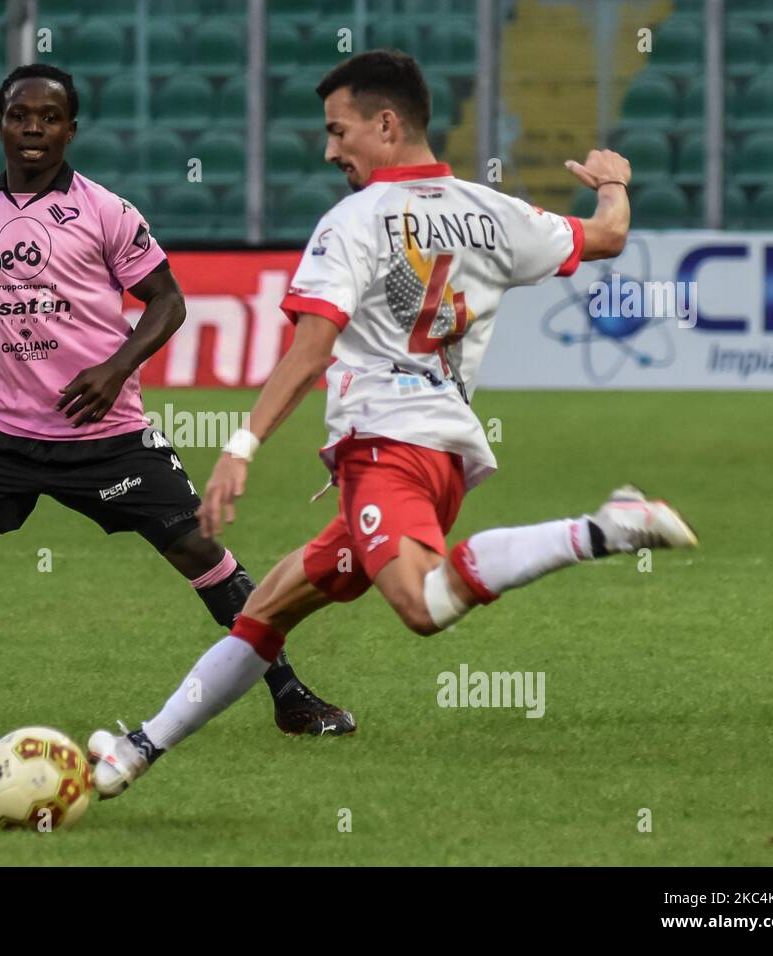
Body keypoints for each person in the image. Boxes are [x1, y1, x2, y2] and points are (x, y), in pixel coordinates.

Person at [86, 49, 697, 796]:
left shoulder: (355, 221)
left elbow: (311, 350)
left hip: (390, 450)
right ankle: (132, 754)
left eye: (339, 131)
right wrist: (612, 184)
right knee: (265, 611)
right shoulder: (494, 210)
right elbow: (606, 237)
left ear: (386, 122)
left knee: (424, 603)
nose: (329, 149)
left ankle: (607, 526)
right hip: (432, 459)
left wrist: (241, 447)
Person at [0, 64, 354, 738]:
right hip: (5, 434)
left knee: (199, 551)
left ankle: (292, 696)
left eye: (49, 117)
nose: (34, 128)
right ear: (0, 123)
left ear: (70, 130)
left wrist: (116, 368)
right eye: (20, 115)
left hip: (105, 434)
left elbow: (167, 302)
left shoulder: (105, 211)